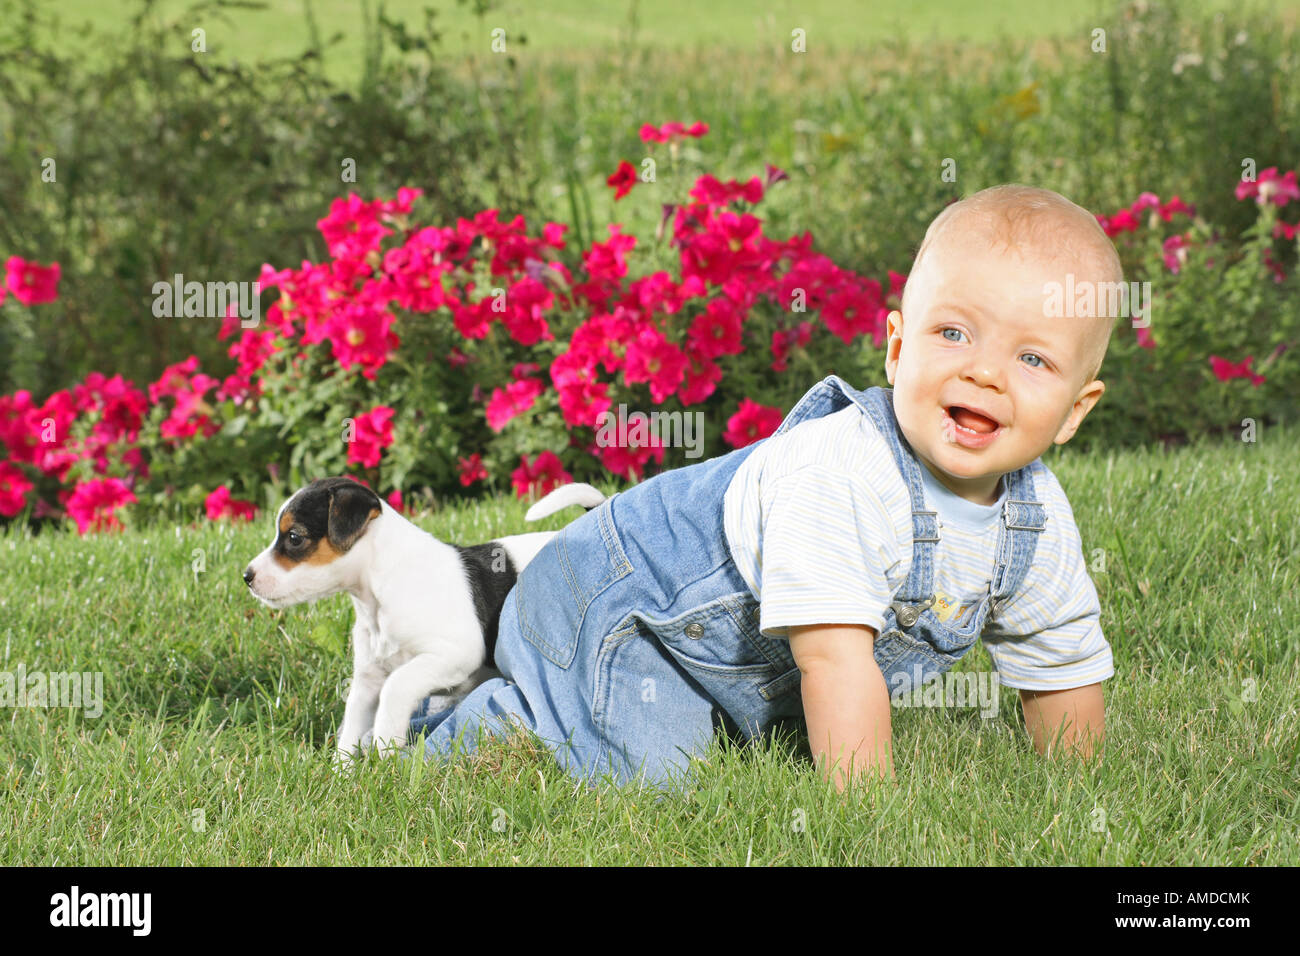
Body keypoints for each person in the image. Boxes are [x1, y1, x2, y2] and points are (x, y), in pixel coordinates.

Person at [409, 183, 1119, 791]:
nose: (985, 372)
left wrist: (1078, 786)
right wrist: (871, 819)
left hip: (716, 658)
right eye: (956, 334)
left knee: (744, 740)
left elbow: (1059, 656)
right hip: (618, 613)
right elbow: (836, 663)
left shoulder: (1035, 518)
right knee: (643, 775)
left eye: (1031, 357)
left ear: (1076, 411)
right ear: (898, 349)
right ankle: (458, 708)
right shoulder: (844, 475)